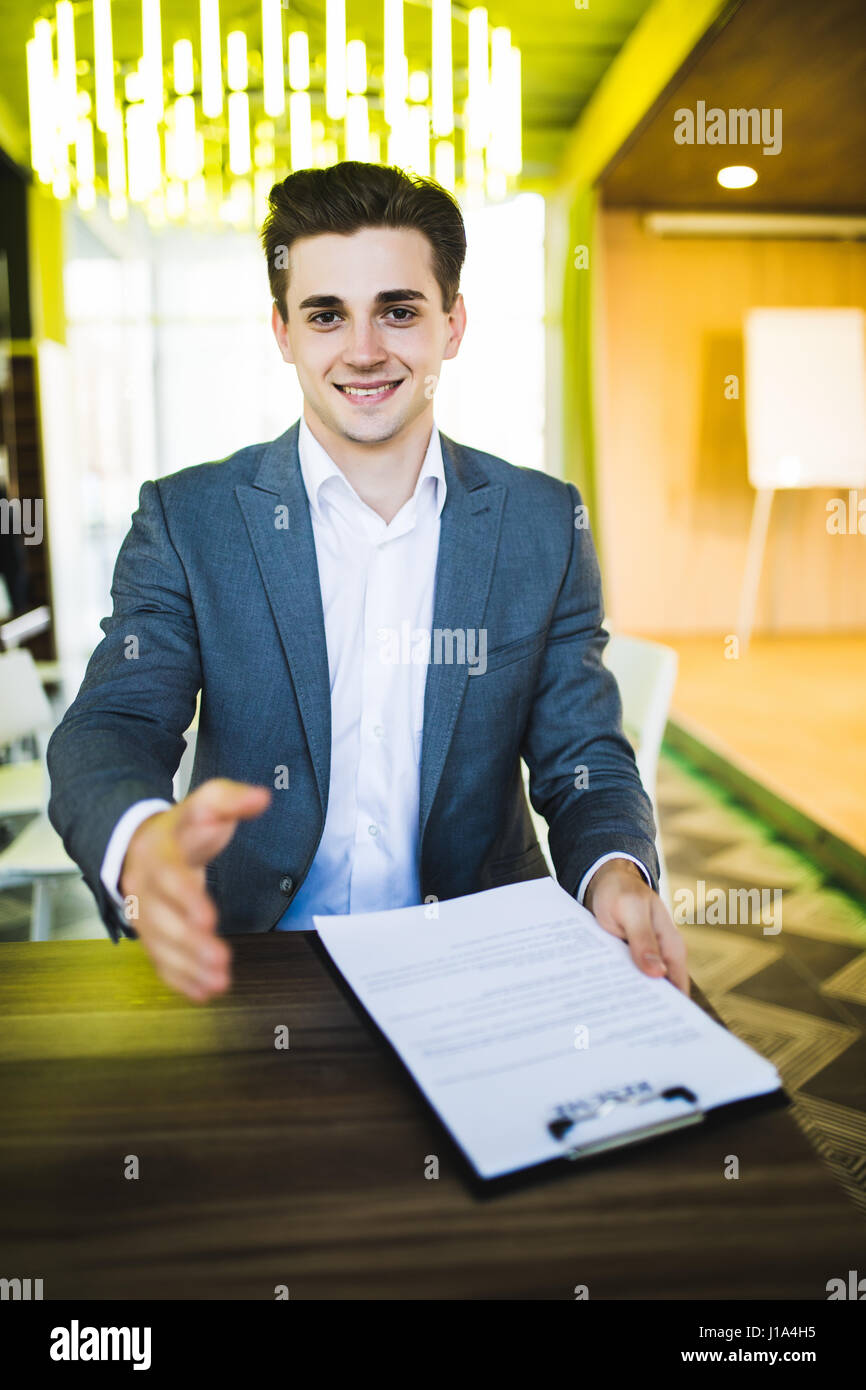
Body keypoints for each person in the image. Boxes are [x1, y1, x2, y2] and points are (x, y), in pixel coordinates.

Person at [47, 161, 688, 1004]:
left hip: (480, 958)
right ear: (282, 331)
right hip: (245, 962)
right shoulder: (188, 519)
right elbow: (114, 724)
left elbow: (584, 760)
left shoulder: (543, 523)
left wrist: (612, 871)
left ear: (452, 324)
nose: (363, 350)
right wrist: (138, 842)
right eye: (326, 315)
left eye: (398, 310)